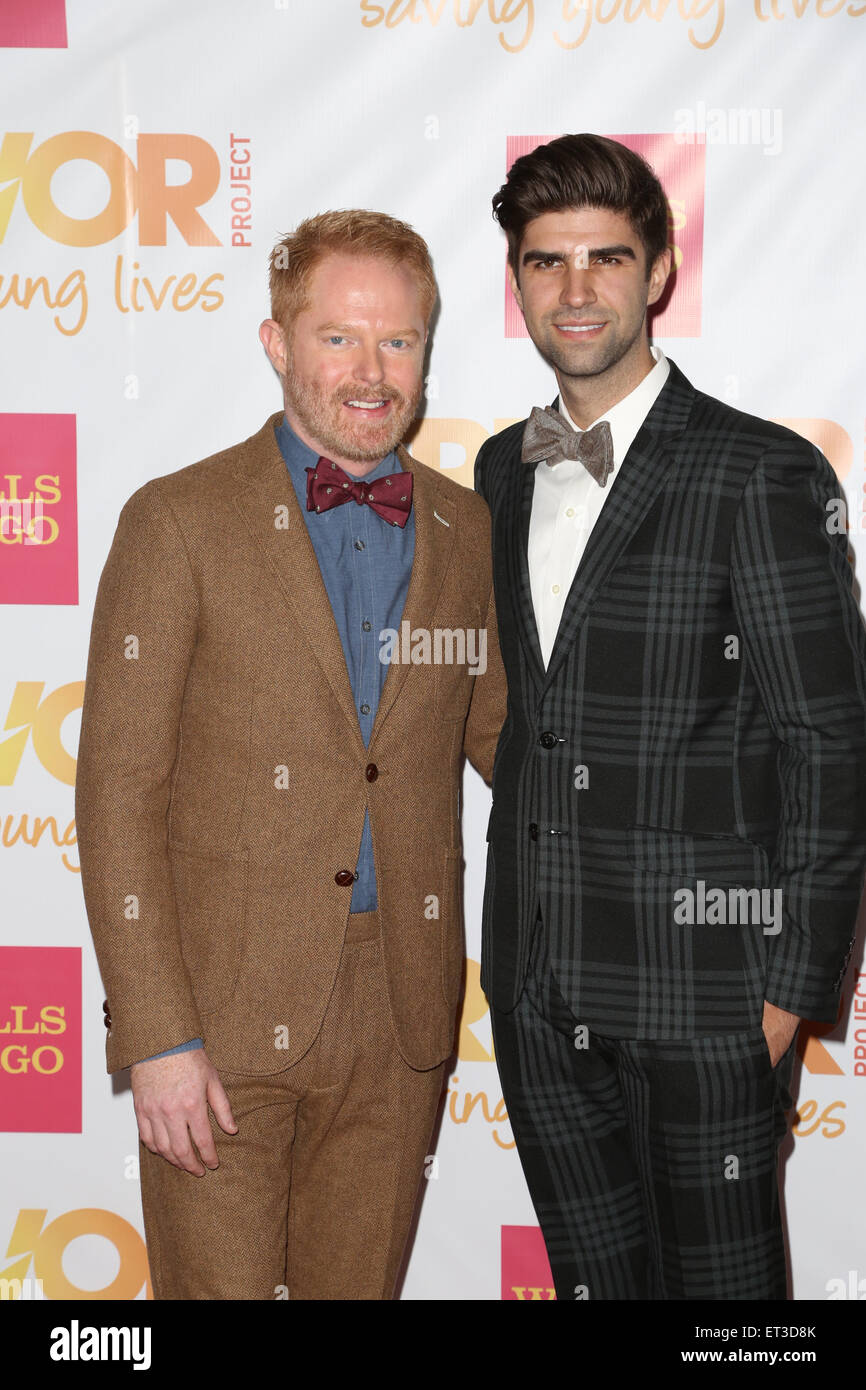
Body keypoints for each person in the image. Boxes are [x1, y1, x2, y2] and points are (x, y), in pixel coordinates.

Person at [75, 208, 507, 1300]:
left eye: (397, 341)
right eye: (337, 337)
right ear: (276, 344)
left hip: (398, 1015)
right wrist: (158, 1036)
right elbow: (117, 790)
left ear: (425, 353)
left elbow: (511, 743)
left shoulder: (467, 532)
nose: (370, 371)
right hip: (215, 1015)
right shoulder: (175, 521)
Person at [474, 134, 866, 1301]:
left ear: (656, 274)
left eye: (605, 258)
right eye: (546, 263)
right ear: (518, 282)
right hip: (537, 984)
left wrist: (786, 996)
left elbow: (829, 741)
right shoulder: (500, 469)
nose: (575, 289)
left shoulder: (760, 473)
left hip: (705, 994)